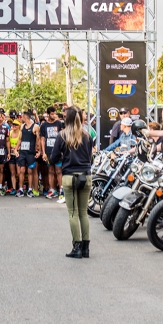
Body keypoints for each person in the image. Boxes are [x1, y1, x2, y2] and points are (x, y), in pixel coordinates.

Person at [50, 106, 94, 259]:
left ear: (66, 119)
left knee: (73, 213)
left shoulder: (62, 136)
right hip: (86, 175)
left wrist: (63, 158)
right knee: (83, 213)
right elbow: (90, 157)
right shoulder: (87, 136)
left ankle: (77, 247)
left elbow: (53, 158)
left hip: (69, 176)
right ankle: (86, 247)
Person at [40, 106, 64, 199]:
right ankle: (52, 189)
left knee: (58, 170)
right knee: (50, 171)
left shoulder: (59, 123)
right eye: (52, 114)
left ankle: (61, 190)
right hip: (48, 151)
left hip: (58, 151)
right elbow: (42, 139)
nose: (54, 115)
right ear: (48, 114)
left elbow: (62, 136)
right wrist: (43, 152)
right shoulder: (44, 125)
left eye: (55, 113)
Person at [18, 110, 41, 197]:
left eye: (22, 117)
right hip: (23, 152)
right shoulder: (22, 126)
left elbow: (38, 140)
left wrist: (39, 151)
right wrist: (16, 149)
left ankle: (30, 189)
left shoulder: (35, 126)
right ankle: (20, 189)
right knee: (21, 171)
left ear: (25, 117)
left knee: (30, 171)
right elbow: (20, 139)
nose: (21, 118)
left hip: (31, 153)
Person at [7, 119, 22, 195]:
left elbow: (22, 142)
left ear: (19, 126)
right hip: (11, 154)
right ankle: (14, 188)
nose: (14, 126)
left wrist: (17, 148)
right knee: (12, 172)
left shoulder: (20, 133)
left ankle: (20, 187)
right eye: (13, 124)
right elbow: (8, 142)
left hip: (18, 155)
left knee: (19, 173)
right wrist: (9, 153)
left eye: (16, 125)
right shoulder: (10, 132)